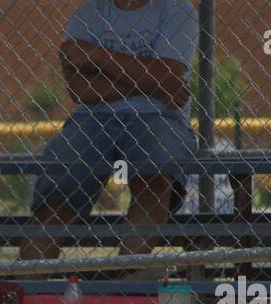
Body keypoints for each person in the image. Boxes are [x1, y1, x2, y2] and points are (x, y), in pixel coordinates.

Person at [21, 0, 198, 263]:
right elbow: (81, 90)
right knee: (56, 195)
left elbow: (169, 74)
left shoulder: (176, 10)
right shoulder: (87, 15)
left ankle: (124, 278)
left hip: (158, 116)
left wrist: (96, 55)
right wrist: (152, 83)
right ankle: (29, 283)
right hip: (92, 117)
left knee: (154, 180)